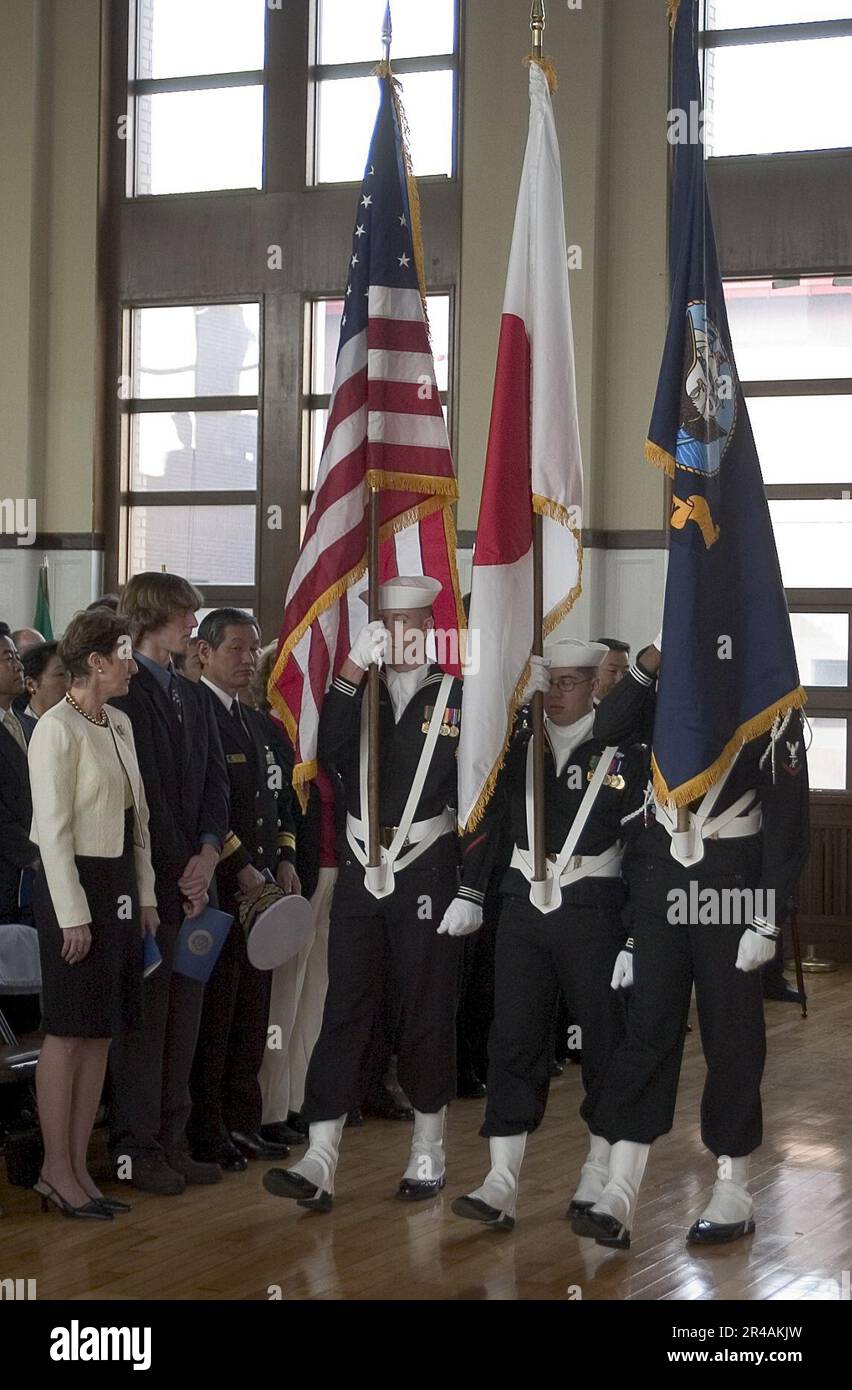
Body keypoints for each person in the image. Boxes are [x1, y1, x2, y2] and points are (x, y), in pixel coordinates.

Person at [570, 638, 810, 1249]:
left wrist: (765, 917)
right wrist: (652, 662)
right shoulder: (658, 689)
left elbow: (788, 820)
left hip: (728, 890)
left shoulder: (766, 694)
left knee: (732, 1036)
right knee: (646, 1034)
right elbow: (606, 730)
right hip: (657, 887)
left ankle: (733, 1185)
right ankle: (621, 1188)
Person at [263, 576, 492, 1211]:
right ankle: (321, 1154)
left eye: (412, 623)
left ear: (433, 626)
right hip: (365, 868)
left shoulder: (462, 695)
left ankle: (428, 1143)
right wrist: (348, 677)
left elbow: (482, 796)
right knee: (346, 1007)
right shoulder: (359, 692)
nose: (400, 635)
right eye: (388, 624)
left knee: (424, 1008)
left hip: (426, 866)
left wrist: (470, 887)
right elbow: (326, 754)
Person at [452, 640, 645, 1231]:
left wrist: (637, 935)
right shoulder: (517, 749)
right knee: (513, 1037)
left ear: (595, 688)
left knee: (604, 1042)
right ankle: (501, 1180)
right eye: (550, 682)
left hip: (594, 908)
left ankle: (599, 1167)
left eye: (568, 683)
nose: (557, 693)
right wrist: (472, 891)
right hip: (522, 909)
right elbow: (487, 815)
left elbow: (641, 852)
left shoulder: (627, 755)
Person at [28, 607, 159, 1220]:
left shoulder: (120, 724)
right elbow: (50, 832)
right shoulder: (56, 729)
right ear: (96, 662)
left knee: (101, 1030)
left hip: (118, 889)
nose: (133, 664)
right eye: (124, 654)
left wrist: (149, 896)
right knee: (68, 1032)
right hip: (73, 890)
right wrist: (73, 913)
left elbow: (140, 826)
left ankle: (80, 1166)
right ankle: (55, 1169)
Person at [107, 571, 230, 1195]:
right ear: (156, 614)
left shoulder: (196, 695)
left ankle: (173, 1140)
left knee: (185, 1020)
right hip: (150, 890)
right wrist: (173, 875)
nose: (193, 625)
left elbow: (216, 785)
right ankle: (136, 1147)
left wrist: (208, 856)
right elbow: (142, 798)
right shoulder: (126, 696)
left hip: (192, 885)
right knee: (147, 1025)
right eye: (187, 614)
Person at [188, 609, 299, 1168]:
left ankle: (242, 1118)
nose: (247, 659)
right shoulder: (195, 710)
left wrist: (283, 856)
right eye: (235, 648)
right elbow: (208, 806)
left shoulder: (254, 721)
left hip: (261, 891)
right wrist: (241, 868)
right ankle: (206, 1126)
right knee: (217, 1017)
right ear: (203, 653)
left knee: (253, 1016)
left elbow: (272, 802)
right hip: (222, 890)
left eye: (253, 649)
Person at [0, 625, 38, 925]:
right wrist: (33, 856)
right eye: (7, 658)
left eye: (16, 656)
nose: (19, 665)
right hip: (9, 875)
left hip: (34, 883)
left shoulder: (27, 725)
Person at [19, 640, 67, 740]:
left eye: (73, 674)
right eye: (61, 674)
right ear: (31, 684)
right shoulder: (19, 730)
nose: (71, 682)